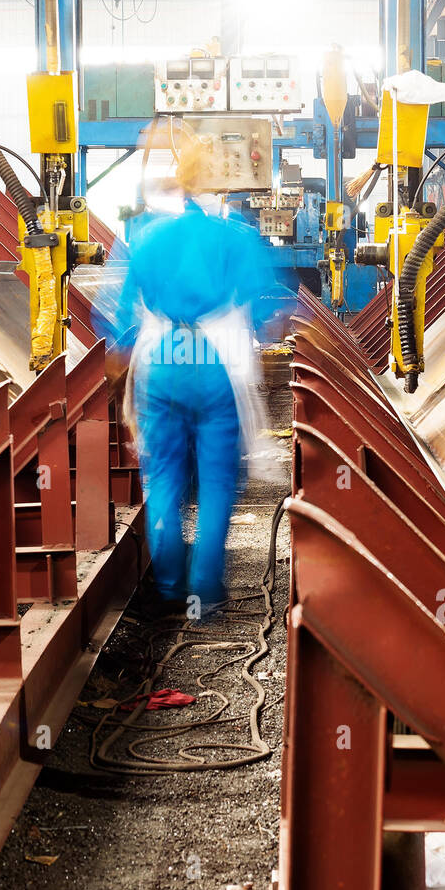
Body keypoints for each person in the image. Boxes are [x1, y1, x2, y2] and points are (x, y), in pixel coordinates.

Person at [106, 151, 288, 616]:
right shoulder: (233, 237)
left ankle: (167, 587)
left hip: (162, 362)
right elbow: (267, 309)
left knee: (163, 474)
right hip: (213, 365)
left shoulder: (146, 238)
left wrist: (119, 361)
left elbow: (121, 314)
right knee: (217, 479)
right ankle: (204, 589)